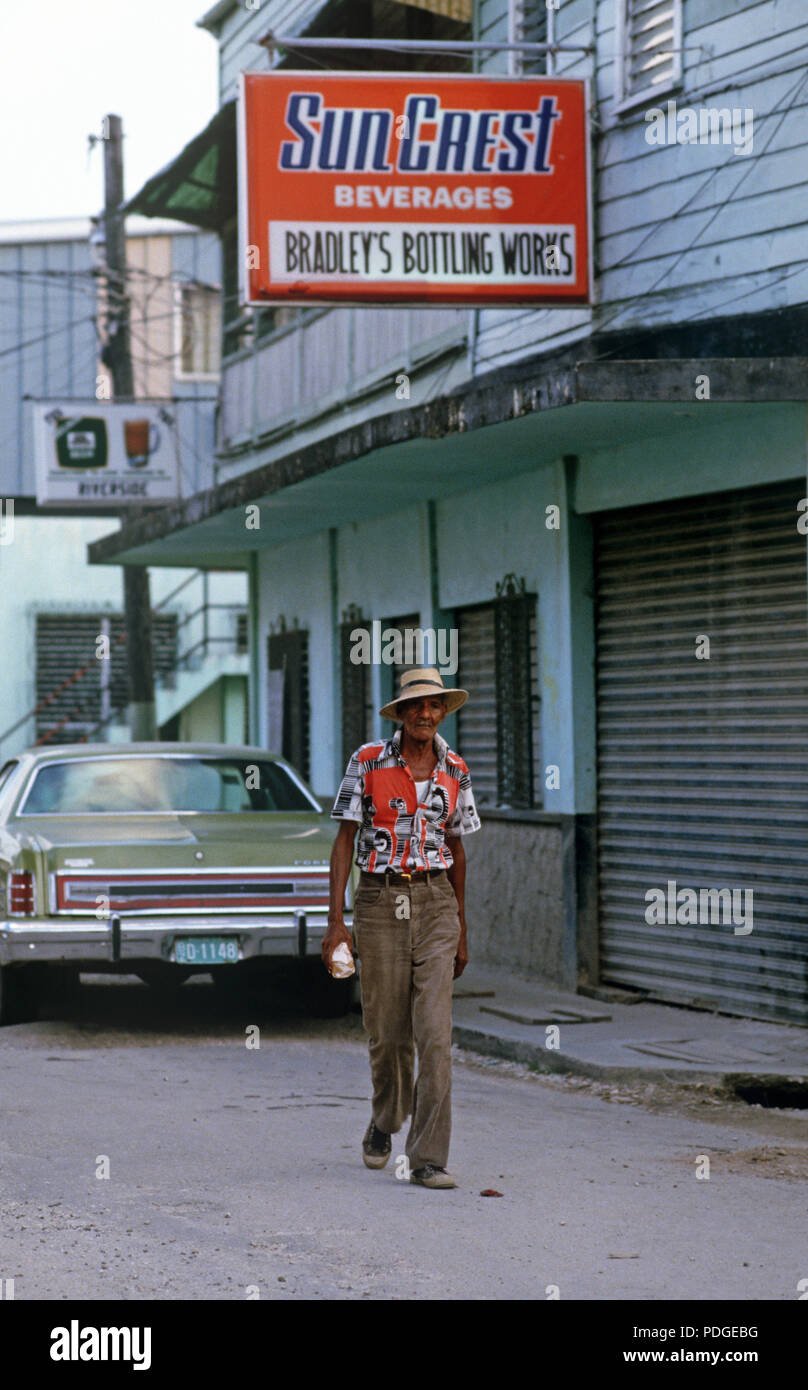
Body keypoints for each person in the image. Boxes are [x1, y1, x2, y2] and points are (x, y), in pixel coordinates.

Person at [322, 666, 480, 1190]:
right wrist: (336, 923)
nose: (425, 714)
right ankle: (386, 1117)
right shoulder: (368, 761)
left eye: (434, 706)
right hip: (380, 901)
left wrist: (461, 928)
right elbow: (344, 841)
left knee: (434, 1035)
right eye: (416, 706)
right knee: (388, 1033)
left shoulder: (456, 770)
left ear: (443, 712)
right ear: (401, 714)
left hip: (436, 903)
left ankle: (428, 1158)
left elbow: (457, 848)